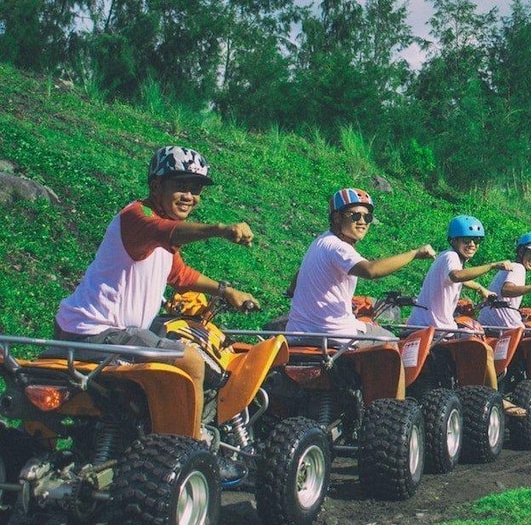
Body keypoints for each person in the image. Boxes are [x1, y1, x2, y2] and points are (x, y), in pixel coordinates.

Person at [54, 145, 259, 480]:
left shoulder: (160, 233)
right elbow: (168, 233)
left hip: (85, 331)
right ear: (155, 186)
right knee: (192, 360)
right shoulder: (138, 218)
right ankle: (193, 454)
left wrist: (227, 290)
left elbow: (180, 275)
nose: (190, 196)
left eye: (196, 190)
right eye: (181, 186)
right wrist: (221, 229)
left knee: (162, 340)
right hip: (101, 333)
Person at [285, 188, 436, 338]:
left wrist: (291, 292)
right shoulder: (339, 247)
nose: (362, 222)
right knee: (391, 339)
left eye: (367, 217)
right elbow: (371, 270)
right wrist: (414, 254)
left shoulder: (320, 242)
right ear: (337, 218)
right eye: (355, 216)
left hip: (298, 330)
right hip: (333, 332)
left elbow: (300, 273)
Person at [407, 215, 512, 330]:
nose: (472, 244)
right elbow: (456, 276)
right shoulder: (451, 256)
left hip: (426, 324)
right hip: (433, 327)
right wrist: (492, 266)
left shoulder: (447, 256)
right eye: (466, 239)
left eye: (476, 240)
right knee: (483, 345)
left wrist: (480, 288)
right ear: (454, 240)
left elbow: (461, 278)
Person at [478, 232, 531, 327]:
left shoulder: (510, 267)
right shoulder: (518, 268)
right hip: (503, 322)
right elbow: (506, 290)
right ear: (521, 251)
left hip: (488, 319)